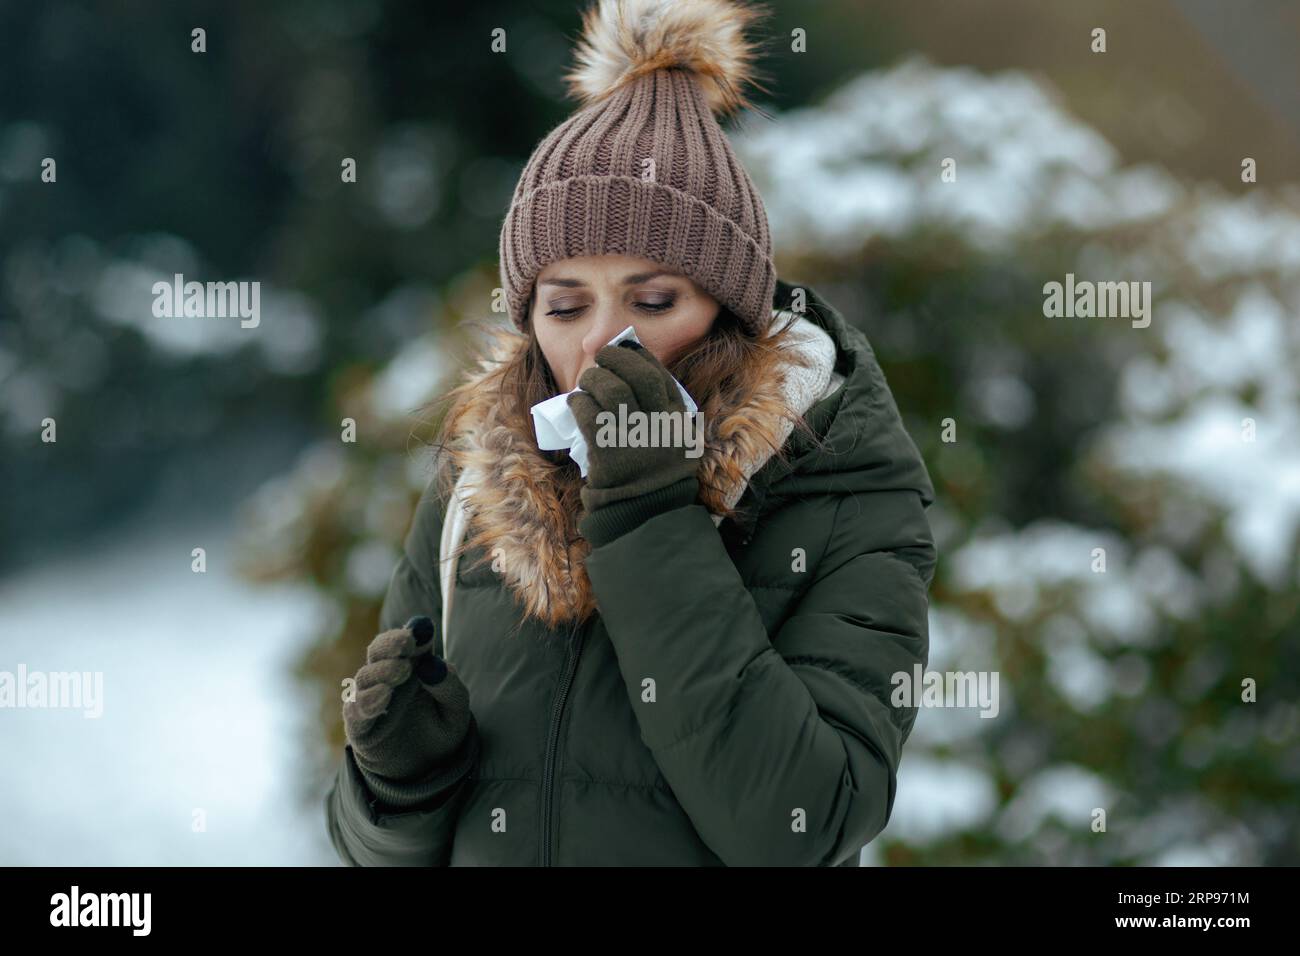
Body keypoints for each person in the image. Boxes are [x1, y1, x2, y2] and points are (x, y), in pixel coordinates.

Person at [325, 0, 937, 867]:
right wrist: (398, 786)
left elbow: (803, 824)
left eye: (653, 302)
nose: (604, 339)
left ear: (729, 308)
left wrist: (653, 520)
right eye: (565, 305)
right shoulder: (478, 487)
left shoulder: (839, 480)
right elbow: (370, 851)